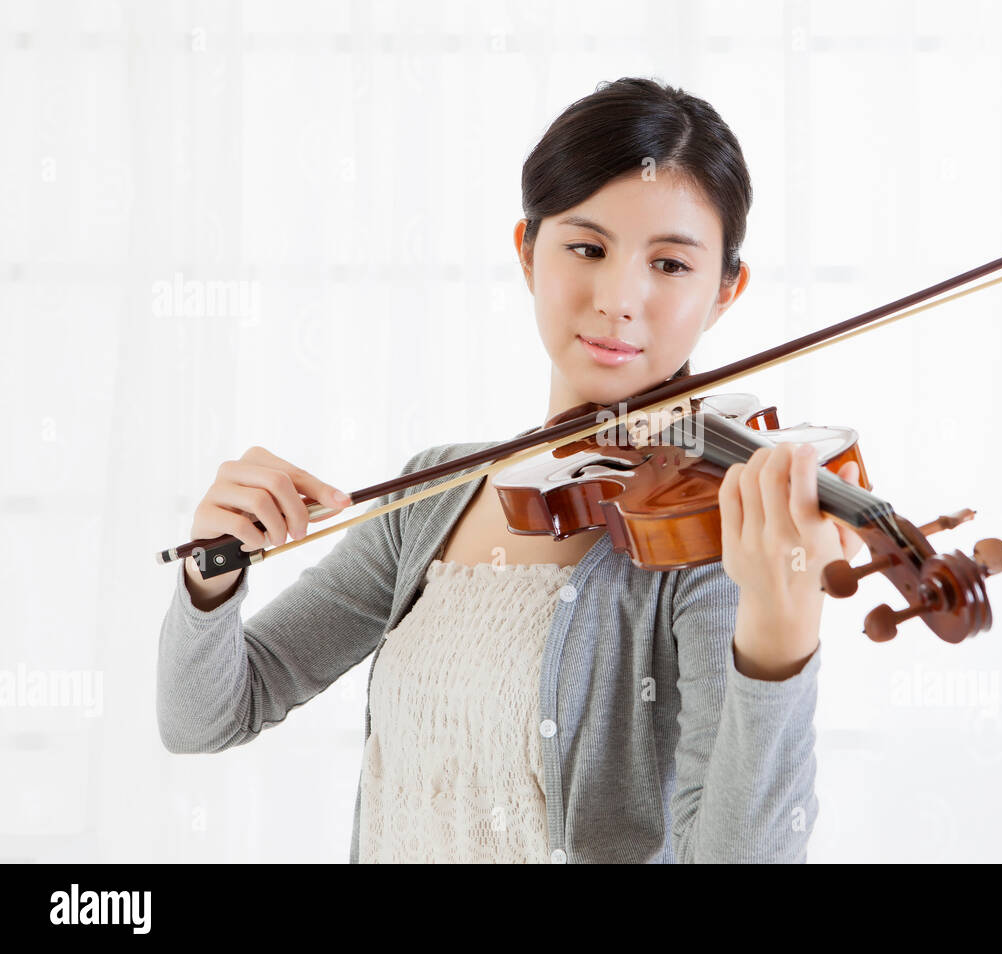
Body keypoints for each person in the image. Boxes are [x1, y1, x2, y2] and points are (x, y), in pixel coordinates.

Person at [157, 76, 863, 863]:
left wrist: (781, 639)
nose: (620, 299)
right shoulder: (434, 492)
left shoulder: (709, 544)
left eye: (669, 265)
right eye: (587, 248)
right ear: (528, 253)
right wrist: (208, 576)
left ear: (724, 291)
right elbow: (207, 716)